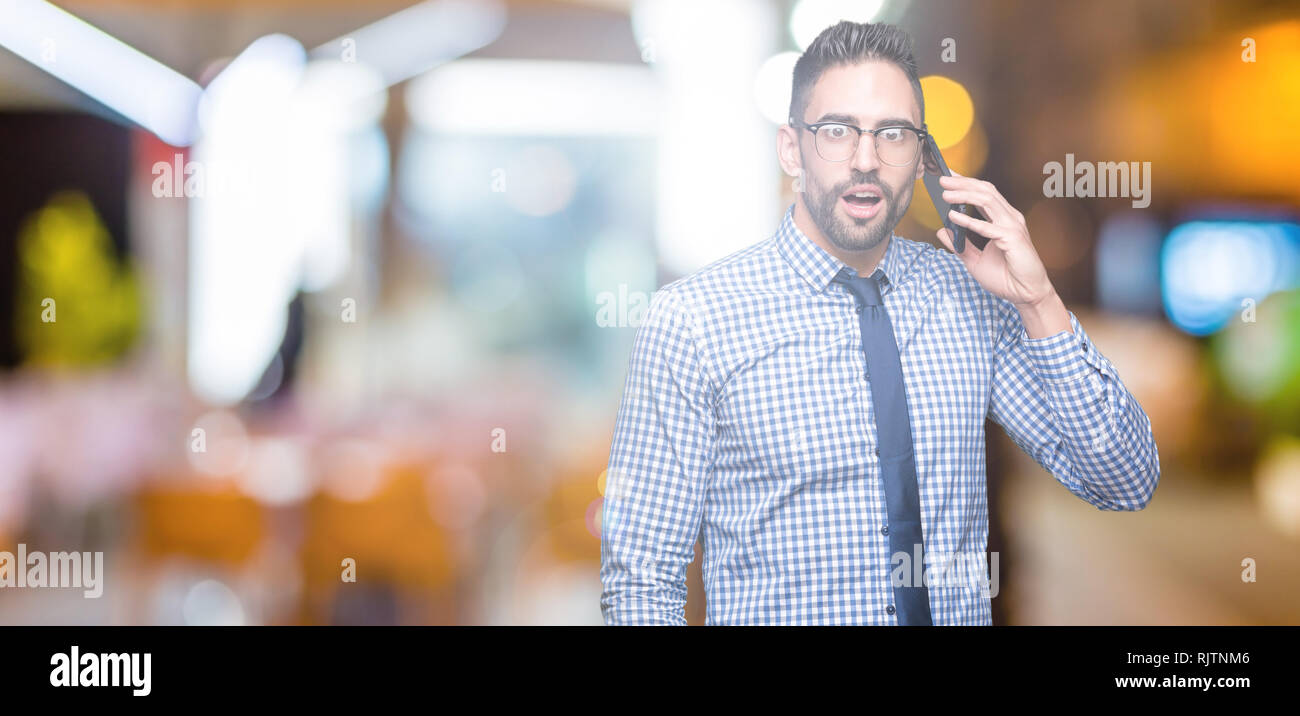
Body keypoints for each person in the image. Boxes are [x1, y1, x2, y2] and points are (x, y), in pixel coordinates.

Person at [600, 20, 1160, 625]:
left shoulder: (967, 298)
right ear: (792, 147)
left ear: (922, 155)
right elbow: (642, 580)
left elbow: (1123, 480)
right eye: (837, 131)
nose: (865, 160)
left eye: (892, 134)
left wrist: (1039, 300)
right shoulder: (692, 322)